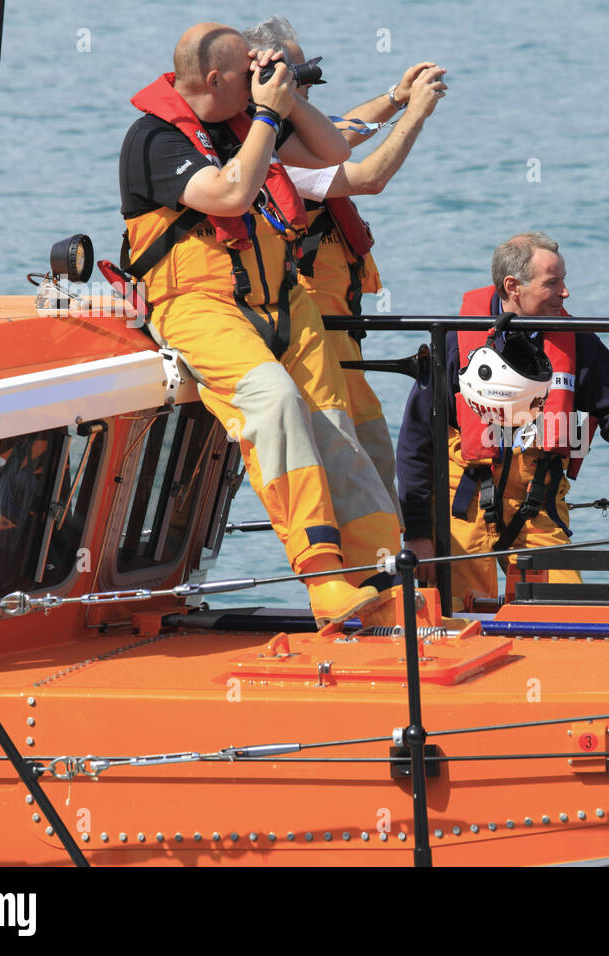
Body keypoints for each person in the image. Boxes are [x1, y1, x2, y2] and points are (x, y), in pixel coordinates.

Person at [117, 22, 402, 626]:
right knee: (272, 402)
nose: (258, 83)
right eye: (247, 75)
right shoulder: (153, 140)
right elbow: (231, 195)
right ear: (215, 78)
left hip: (281, 301)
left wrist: (288, 97)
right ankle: (323, 575)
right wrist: (269, 118)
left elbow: (335, 152)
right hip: (199, 307)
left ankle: (382, 576)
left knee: (335, 427)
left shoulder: (251, 119)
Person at [243, 16, 448, 512]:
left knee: (380, 481)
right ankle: (364, 582)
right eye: (300, 76)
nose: (307, 85)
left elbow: (340, 132)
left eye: (310, 75)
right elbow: (369, 177)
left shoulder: (292, 141)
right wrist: (415, 115)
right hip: (312, 355)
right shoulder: (268, 153)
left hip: (343, 351)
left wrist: (395, 97)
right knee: (357, 497)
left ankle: (390, 580)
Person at [396, 232, 609, 608]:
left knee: (568, 615)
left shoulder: (579, 343)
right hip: (463, 509)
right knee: (459, 616)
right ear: (513, 287)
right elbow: (415, 440)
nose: (565, 293)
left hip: (538, 510)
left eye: (564, 280)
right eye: (552, 283)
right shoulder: (455, 341)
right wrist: (419, 534)